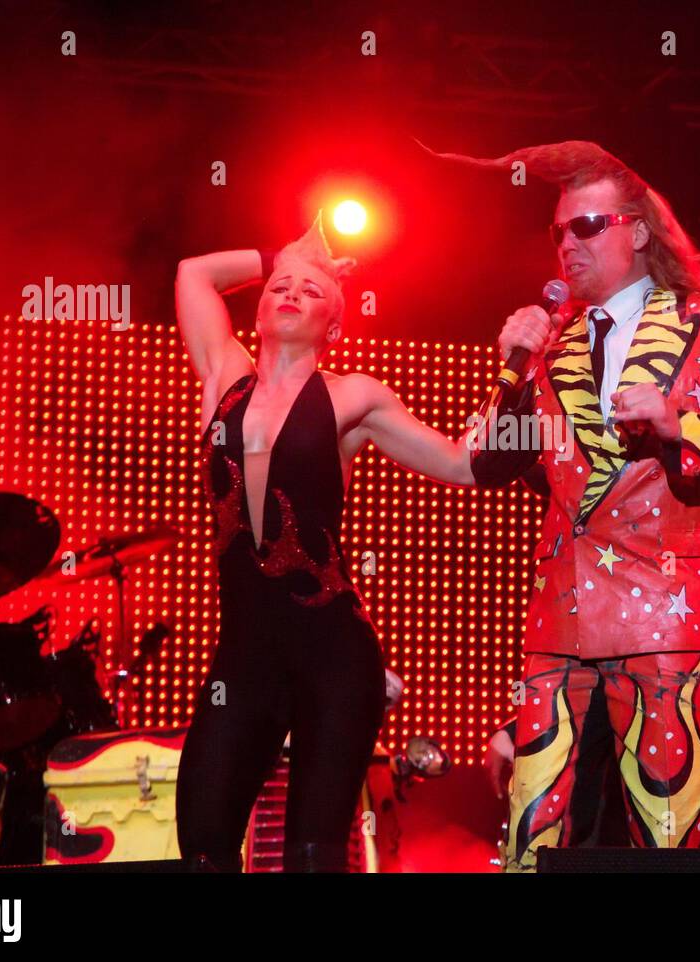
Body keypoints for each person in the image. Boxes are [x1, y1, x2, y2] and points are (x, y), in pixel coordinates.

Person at [428, 139, 700, 871]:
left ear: (636, 231)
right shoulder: (552, 342)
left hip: (669, 606)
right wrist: (510, 368)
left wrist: (678, 425)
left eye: (587, 227)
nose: (567, 244)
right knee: (531, 837)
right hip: (560, 613)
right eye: (558, 232)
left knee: (670, 827)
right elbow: (486, 458)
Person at [173, 212, 474, 872]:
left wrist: (507, 401)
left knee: (313, 853)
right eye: (279, 286)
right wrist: (291, 252)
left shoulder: (352, 397)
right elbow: (193, 274)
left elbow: (458, 465)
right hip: (244, 656)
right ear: (256, 309)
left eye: (311, 293)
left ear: (335, 328)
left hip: (334, 655)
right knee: (202, 844)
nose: (289, 294)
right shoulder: (223, 374)